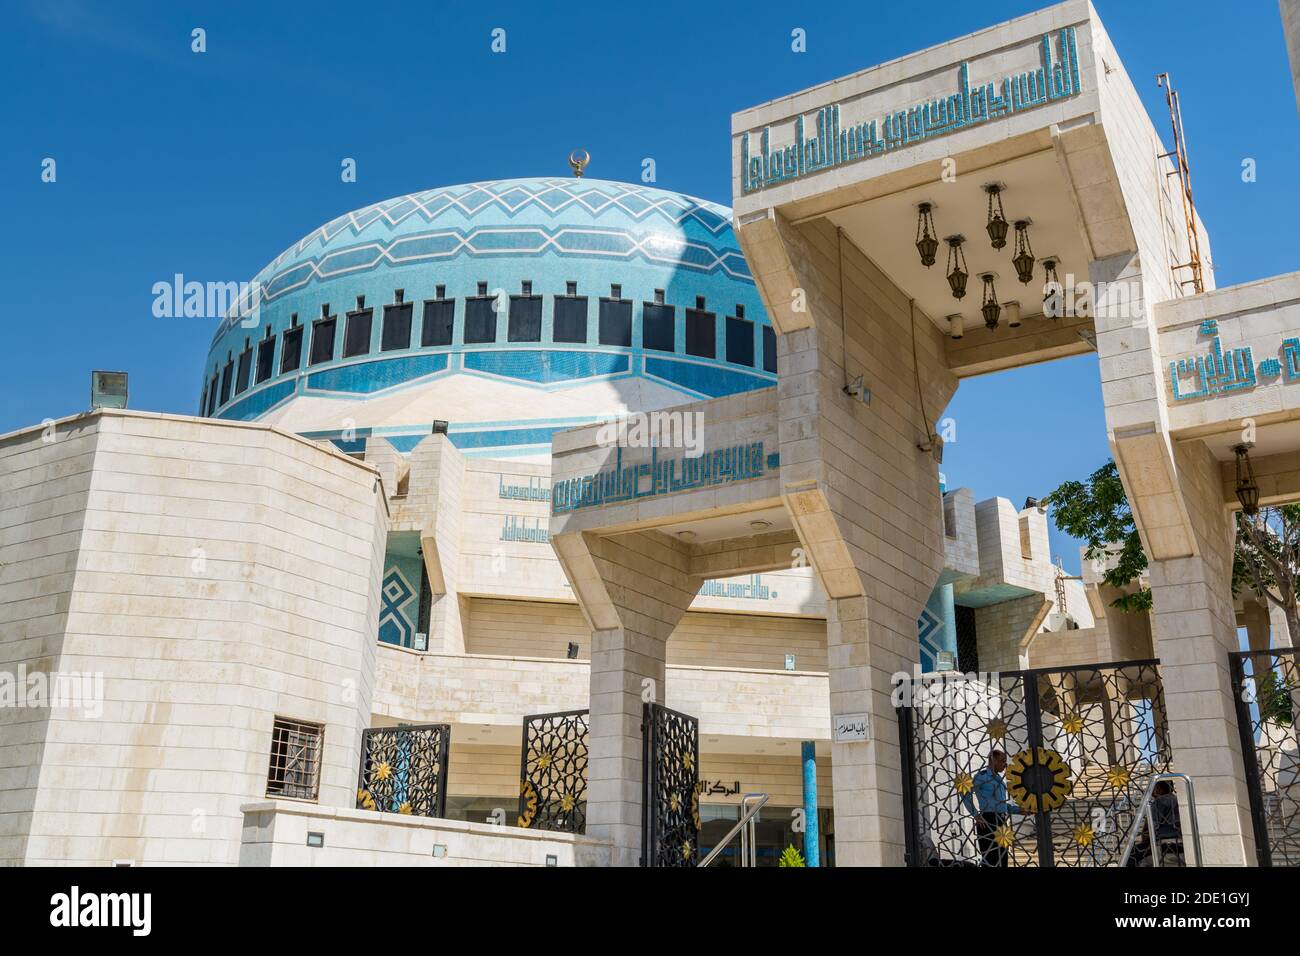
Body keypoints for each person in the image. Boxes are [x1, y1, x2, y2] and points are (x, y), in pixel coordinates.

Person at [960, 749, 1017, 867]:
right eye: (1002, 761)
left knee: (1003, 856)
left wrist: (1020, 810)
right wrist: (975, 814)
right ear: (994, 761)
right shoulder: (982, 777)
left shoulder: (999, 779)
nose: (1005, 764)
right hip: (988, 820)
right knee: (991, 858)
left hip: (1001, 821)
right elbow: (965, 793)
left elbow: (1000, 804)